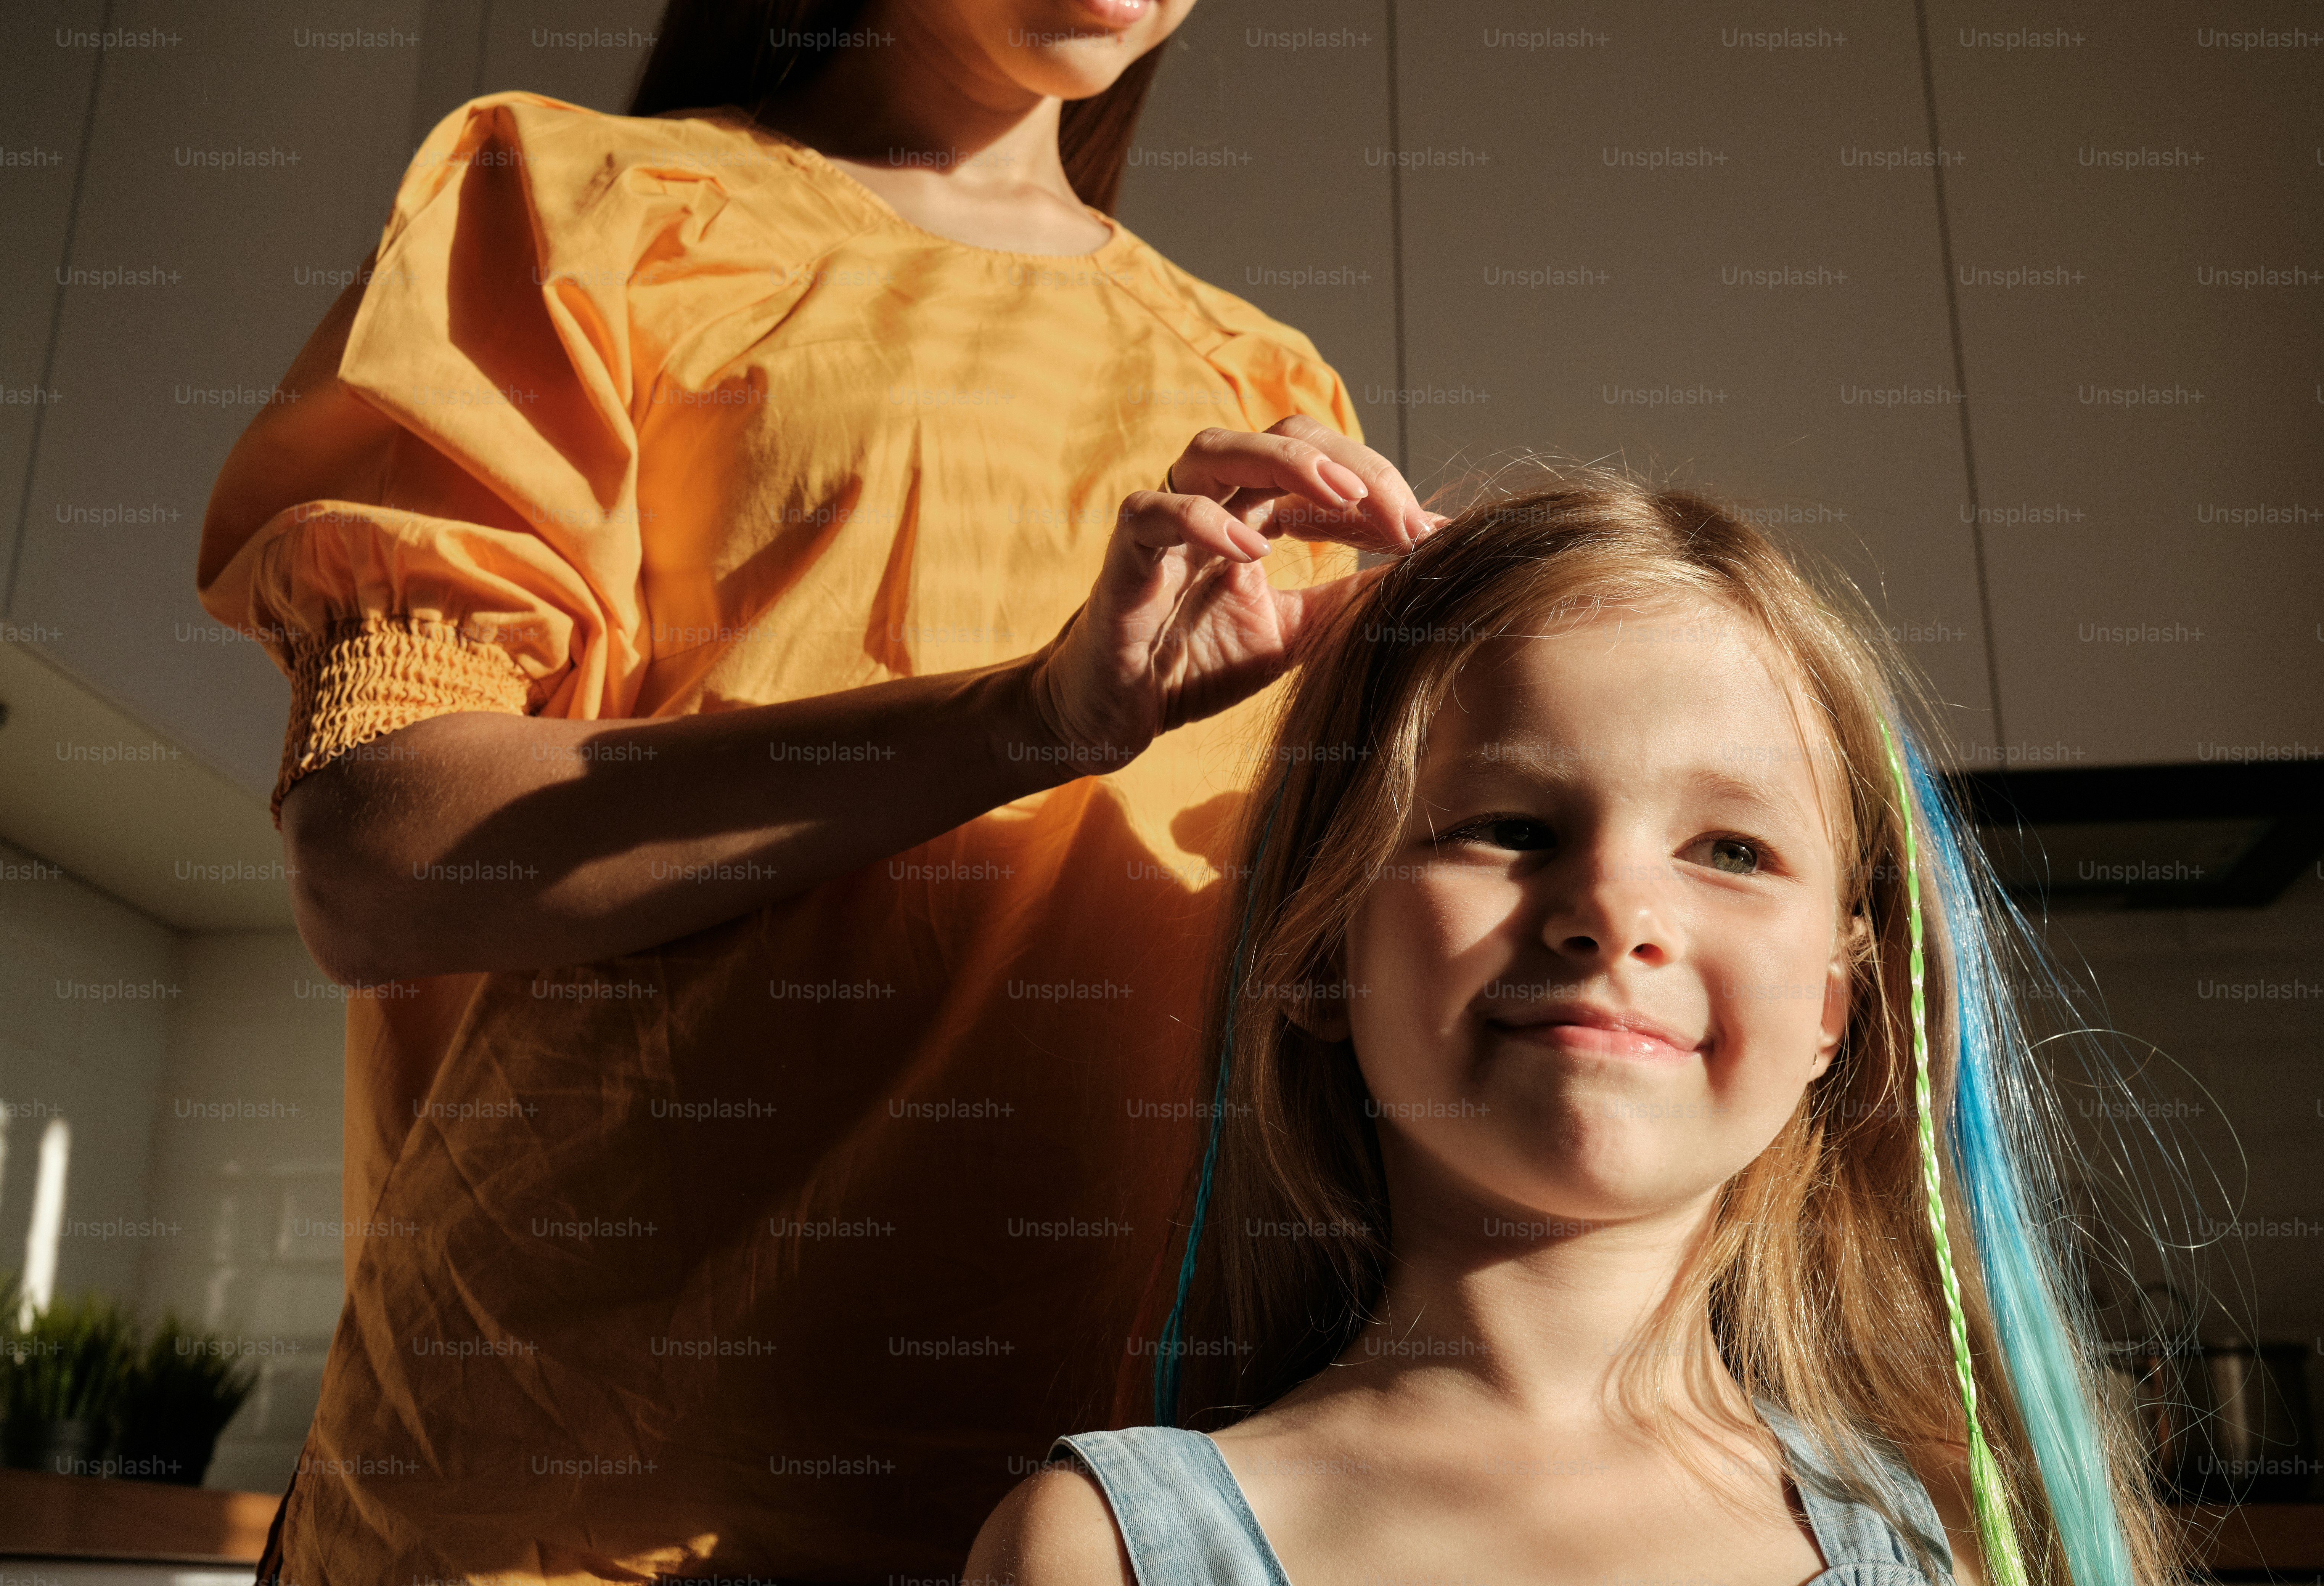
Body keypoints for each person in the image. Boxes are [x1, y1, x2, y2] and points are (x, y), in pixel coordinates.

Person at [193, 0, 1440, 1577]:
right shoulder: (572, 203)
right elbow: (383, 851)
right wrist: (1025, 718)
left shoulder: (1268, 384)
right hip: (557, 1509)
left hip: (1093, 1529)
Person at [968, 469, 2192, 1585]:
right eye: (1507, 826)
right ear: (1323, 948)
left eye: (1731, 849)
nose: (1614, 912)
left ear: (1837, 1003)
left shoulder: (1968, 1546)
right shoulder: (1099, 1553)